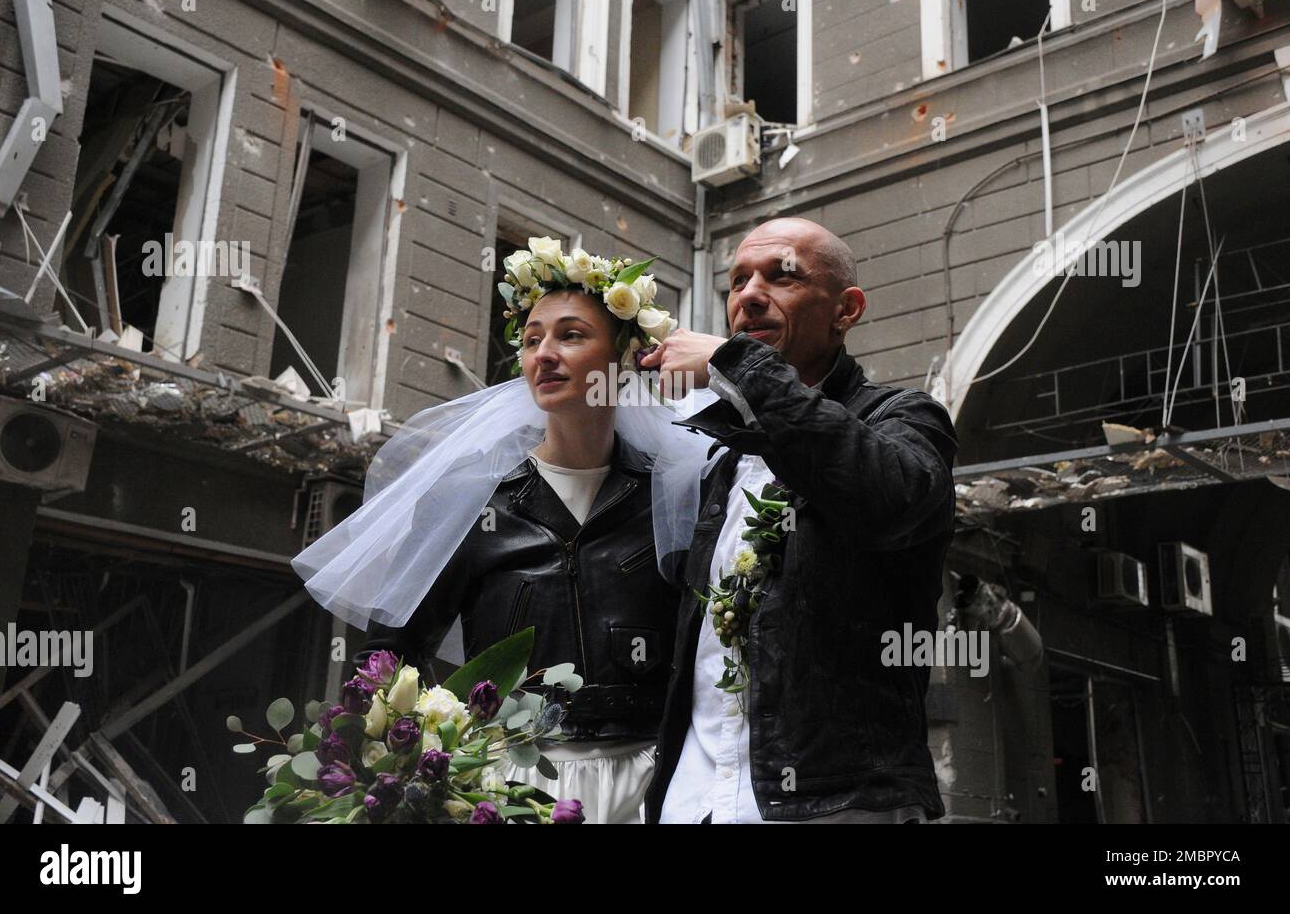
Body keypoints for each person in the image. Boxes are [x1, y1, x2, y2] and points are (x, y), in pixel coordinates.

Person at [293, 238, 713, 824]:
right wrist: (373, 763)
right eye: (532, 338)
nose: (544, 354)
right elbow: (392, 653)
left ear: (622, 357)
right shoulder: (469, 501)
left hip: (655, 780)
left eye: (571, 335)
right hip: (512, 782)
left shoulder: (674, 493)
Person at [638, 217, 958, 824]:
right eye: (737, 281)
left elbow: (886, 499)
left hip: (838, 800)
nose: (750, 294)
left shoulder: (906, 418)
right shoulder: (719, 453)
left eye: (782, 276)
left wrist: (741, 367)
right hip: (693, 797)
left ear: (846, 309)